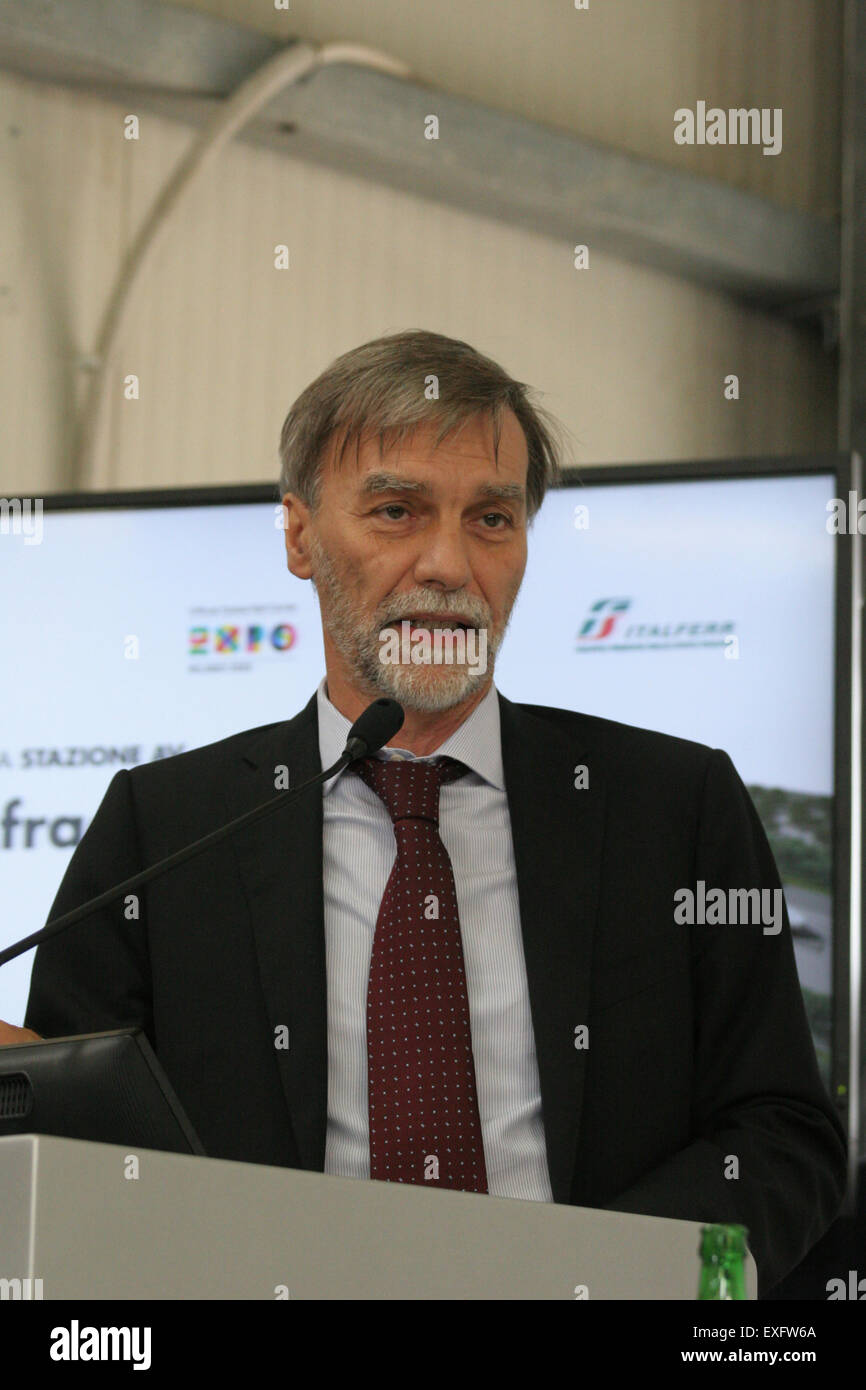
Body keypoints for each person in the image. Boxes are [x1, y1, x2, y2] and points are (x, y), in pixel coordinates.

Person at [1, 329, 847, 1296]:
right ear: (299, 536)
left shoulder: (676, 808)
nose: (447, 563)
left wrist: (617, 1286)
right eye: (397, 511)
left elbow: (784, 1141)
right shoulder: (165, 829)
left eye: (491, 519)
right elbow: (82, 1165)